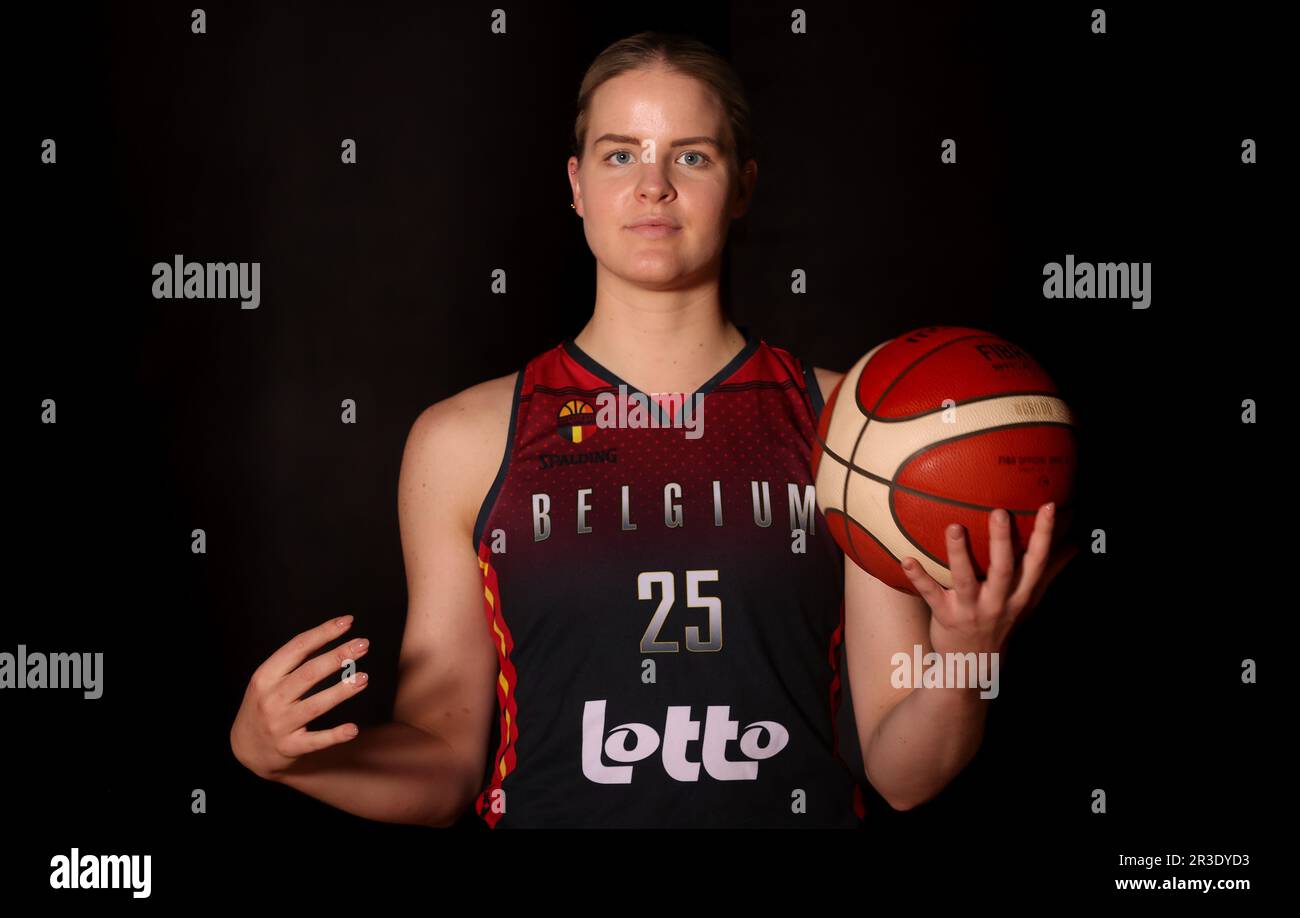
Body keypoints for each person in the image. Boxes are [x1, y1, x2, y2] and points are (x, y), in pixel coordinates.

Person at [229, 31, 1075, 828]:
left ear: (743, 184)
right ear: (575, 184)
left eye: (692, 156)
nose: (653, 184)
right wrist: (283, 761)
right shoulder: (465, 439)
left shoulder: (854, 426)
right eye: (620, 153)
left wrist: (968, 653)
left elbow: (904, 772)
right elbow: (446, 766)